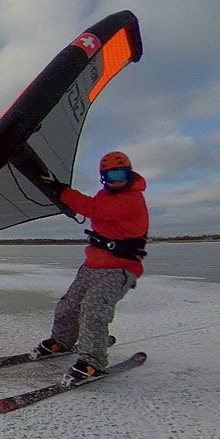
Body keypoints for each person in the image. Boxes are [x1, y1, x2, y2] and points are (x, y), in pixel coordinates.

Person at [35, 151, 149, 385]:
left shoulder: (132, 199)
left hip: (120, 269)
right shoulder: (106, 195)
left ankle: (93, 362)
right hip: (92, 265)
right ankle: (62, 342)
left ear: (130, 174)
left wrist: (62, 191)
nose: (116, 180)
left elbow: (93, 208)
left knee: (94, 306)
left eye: (121, 174)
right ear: (103, 178)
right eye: (111, 176)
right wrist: (62, 192)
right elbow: (95, 206)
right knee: (69, 304)